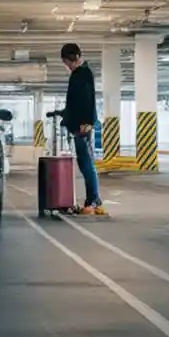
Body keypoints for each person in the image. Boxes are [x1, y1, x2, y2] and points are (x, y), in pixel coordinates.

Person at [59, 43, 102, 214]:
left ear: (72, 59)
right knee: (85, 162)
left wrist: (86, 122)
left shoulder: (81, 74)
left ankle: (93, 200)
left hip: (82, 126)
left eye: (67, 62)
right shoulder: (81, 74)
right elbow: (76, 102)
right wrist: (64, 114)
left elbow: (86, 100)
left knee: (86, 163)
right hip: (80, 124)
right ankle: (93, 199)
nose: (67, 66)